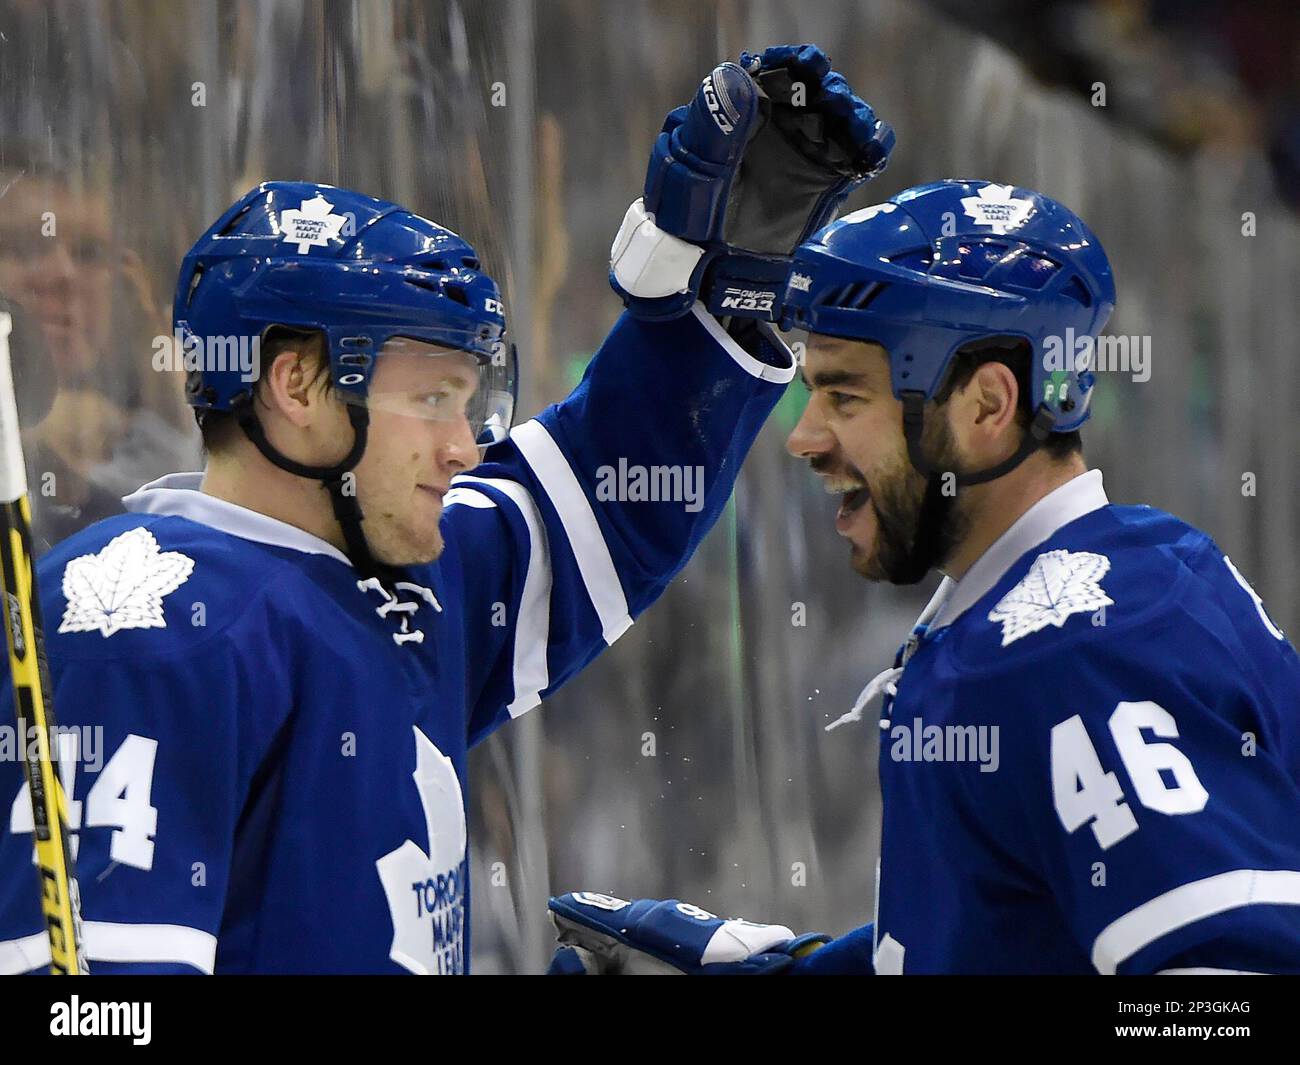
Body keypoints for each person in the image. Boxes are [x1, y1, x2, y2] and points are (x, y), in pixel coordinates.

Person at [0, 47, 893, 974]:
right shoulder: (136, 620)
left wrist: (712, 290)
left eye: (470, 402)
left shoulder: (396, 566)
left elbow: (606, 497)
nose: (465, 446)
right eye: (432, 401)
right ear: (297, 384)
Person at [549, 179, 1300, 975]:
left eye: (844, 395)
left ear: (987, 406)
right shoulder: (1111, 581)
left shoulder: (1078, 650)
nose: (803, 437)